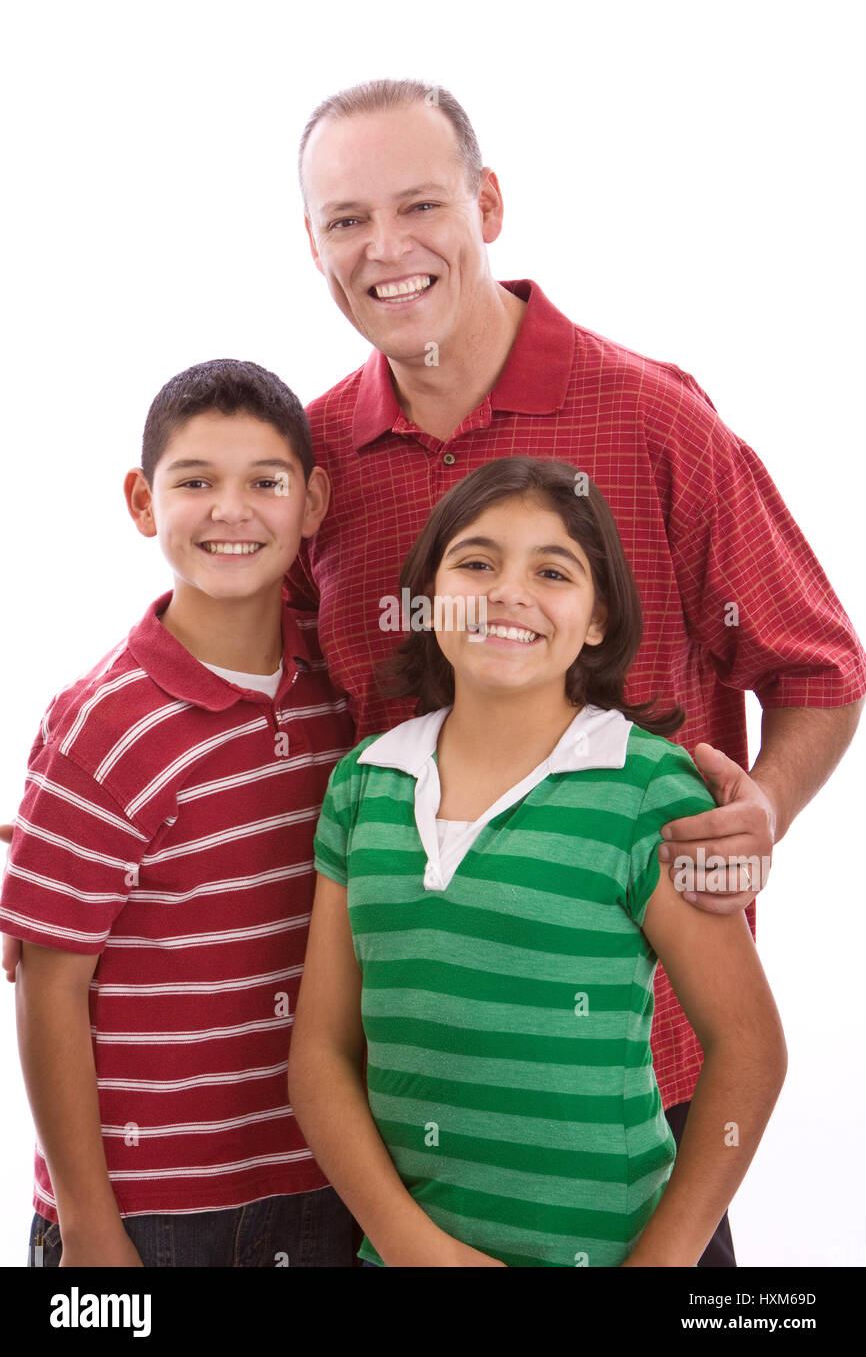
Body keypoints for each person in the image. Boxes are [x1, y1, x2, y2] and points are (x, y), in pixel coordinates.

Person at [288, 78, 866, 1263]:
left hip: (633, 1114)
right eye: (346, 220)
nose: (385, 250)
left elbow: (818, 664)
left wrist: (764, 808)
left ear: (487, 203)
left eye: (419, 205)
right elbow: (273, 697)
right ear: (312, 244)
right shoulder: (315, 464)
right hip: (407, 1107)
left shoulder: (653, 420)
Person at [288, 457, 787, 1268]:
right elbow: (319, 1056)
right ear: (426, 597)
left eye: (553, 571)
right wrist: (416, 1249)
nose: (507, 593)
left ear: (596, 619)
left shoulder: (649, 792)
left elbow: (750, 1050)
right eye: (477, 562)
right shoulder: (363, 787)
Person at [0, 359, 356, 1267]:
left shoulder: (341, 686)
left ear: (311, 501)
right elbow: (49, 986)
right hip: (146, 1214)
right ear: (143, 501)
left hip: (323, 1182)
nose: (230, 511)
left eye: (264, 483)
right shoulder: (100, 726)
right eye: (195, 481)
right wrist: (86, 1224)